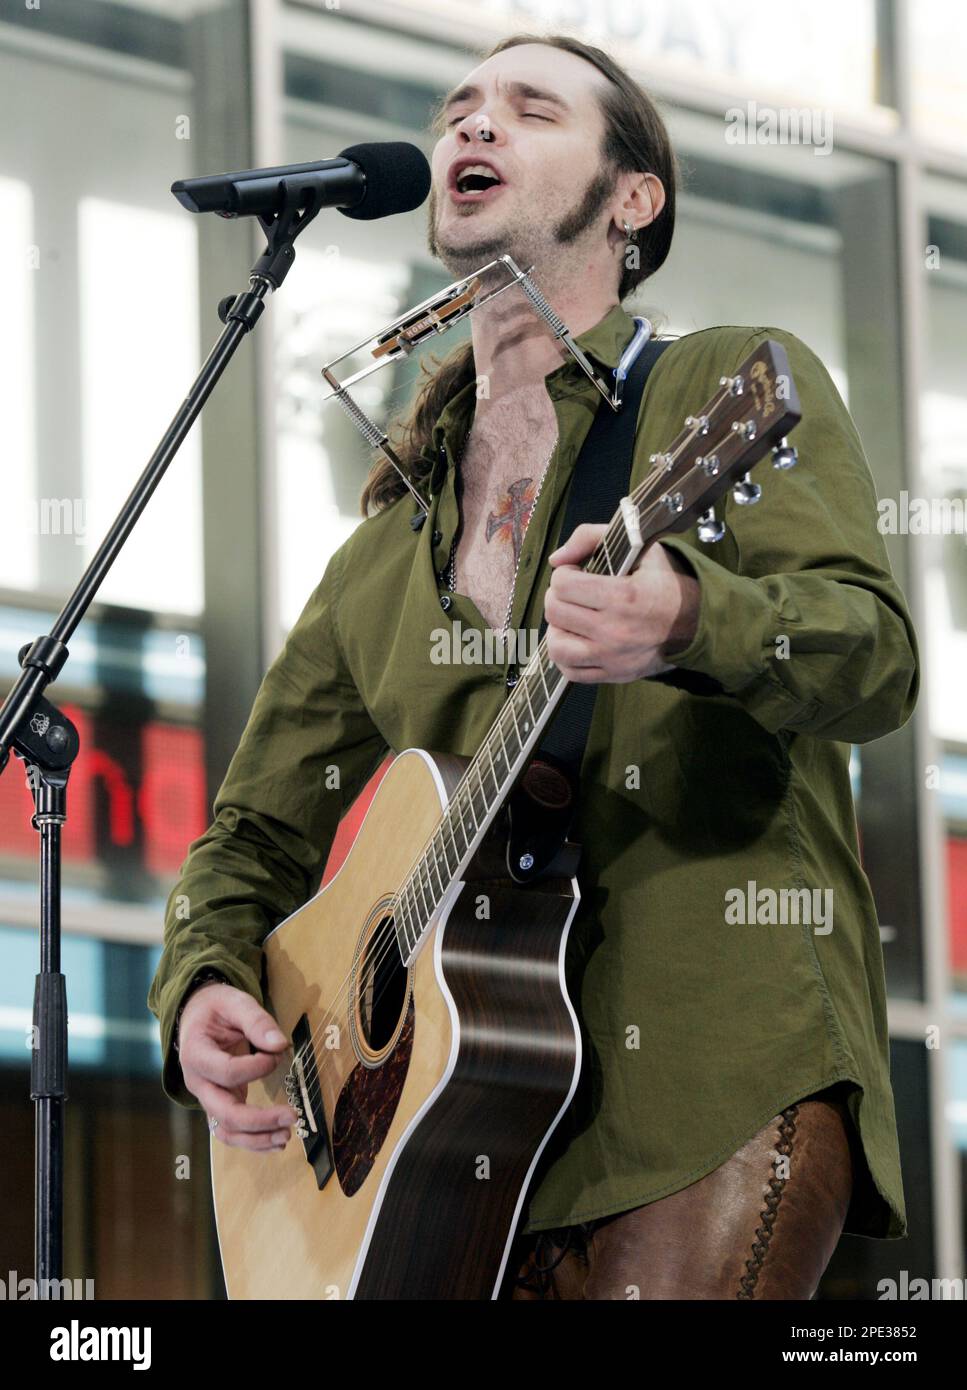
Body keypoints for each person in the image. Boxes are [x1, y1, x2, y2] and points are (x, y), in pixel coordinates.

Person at [148, 33, 919, 1300]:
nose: (473, 126)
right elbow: (248, 835)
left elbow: (873, 659)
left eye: (529, 107)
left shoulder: (719, 385)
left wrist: (687, 618)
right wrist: (202, 986)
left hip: (695, 1082)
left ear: (632, 200)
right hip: (437, 1151)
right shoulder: (381, 550)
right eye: (458, 107)